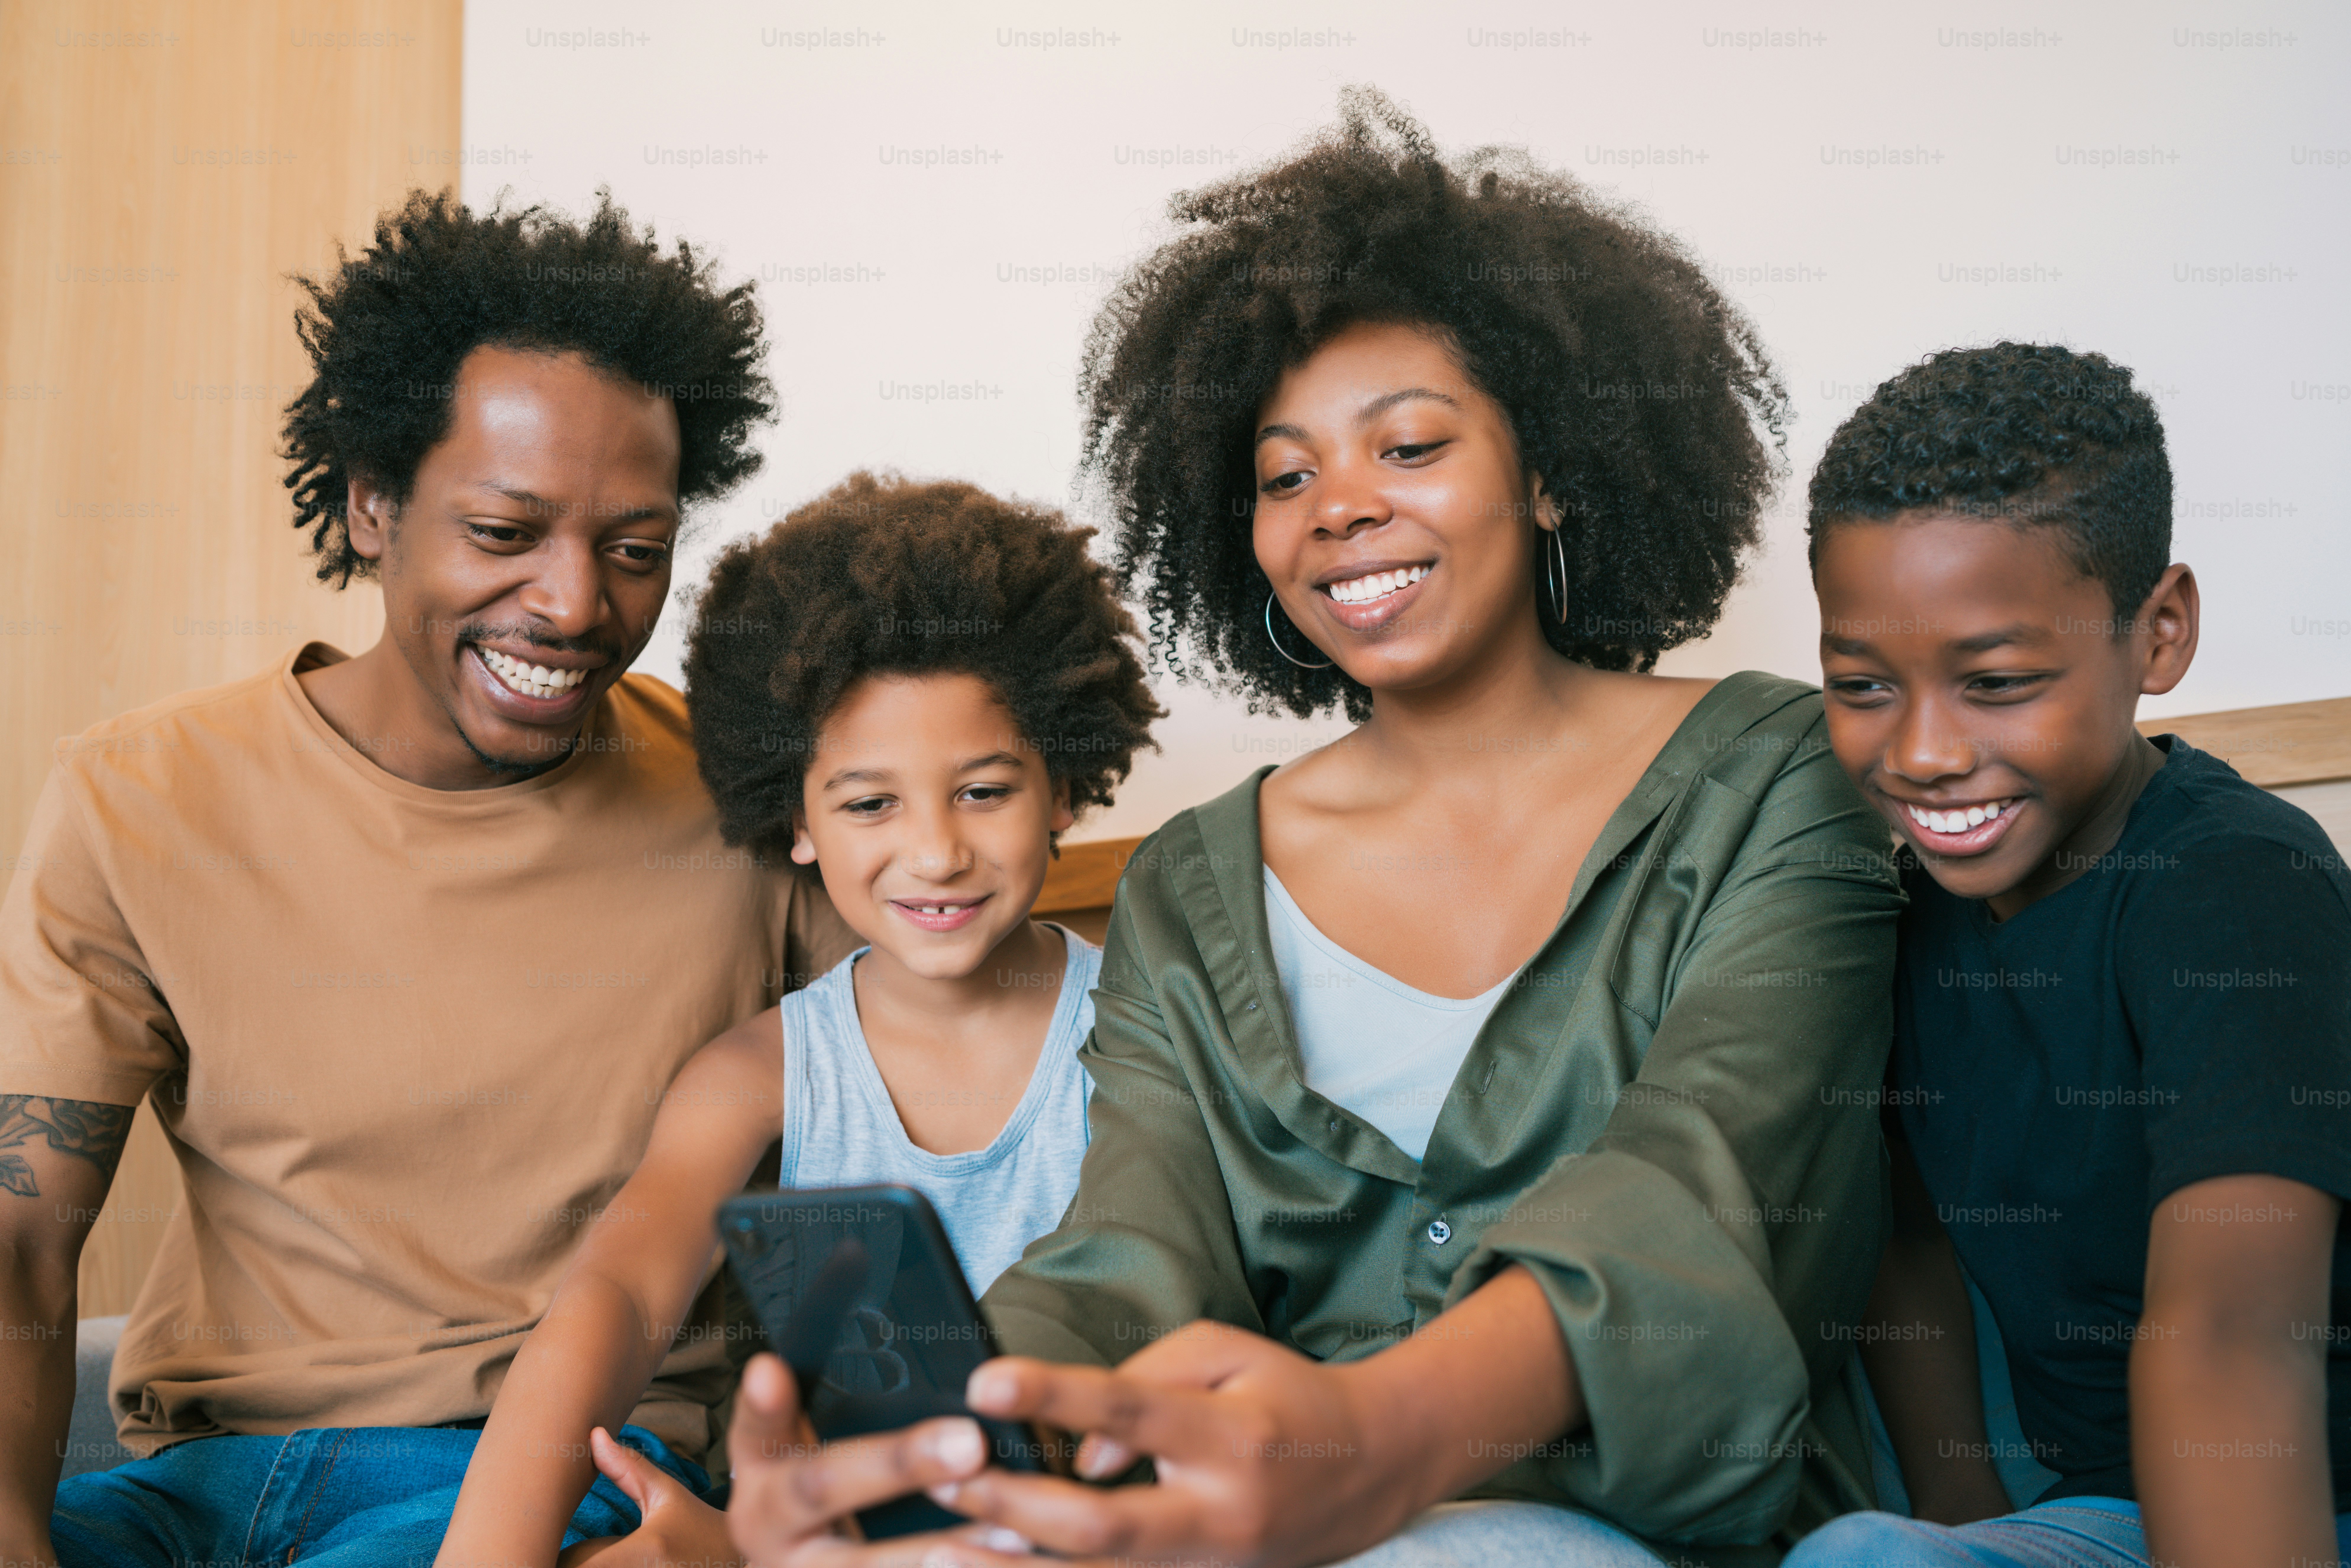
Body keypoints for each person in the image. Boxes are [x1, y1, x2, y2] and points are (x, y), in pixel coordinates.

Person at [720, 89, 1905, 1568]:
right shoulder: (1190, 886)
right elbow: (1128, 1255)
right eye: (1286, 476)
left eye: (1407, 448)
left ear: (1547, 473)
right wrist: (944, 1447)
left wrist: (1372, 1446)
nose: (1338, 507)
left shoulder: (1779, 779)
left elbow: (1702, 1185)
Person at [0, 189, 858, 1568]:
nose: (576, 605)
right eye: (506, 534)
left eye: (635, 552)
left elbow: (911, 1183)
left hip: (561, 1479)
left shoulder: (764, 808)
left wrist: (771, 1531)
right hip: (195, 1488)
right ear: (371, 509)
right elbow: (23, 1242)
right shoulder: (135, 798)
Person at [431, 471, 1163, 1567]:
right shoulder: (759, 1072)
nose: (935, 852)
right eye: (871, 803)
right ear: (799, 820)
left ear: (1063, 789)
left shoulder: (1150, 1035)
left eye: (984, 791)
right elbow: (620, 1290)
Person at [1790, 343, 2351, 1568]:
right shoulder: (1902, 914)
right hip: (2103, 1500)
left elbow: (2229, 1337)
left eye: (1995, 681)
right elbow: (1907, 1241)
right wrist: (1960, 1518)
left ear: (2155, 635)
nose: (1924, 752)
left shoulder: (2235, 885)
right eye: (1860, 683)